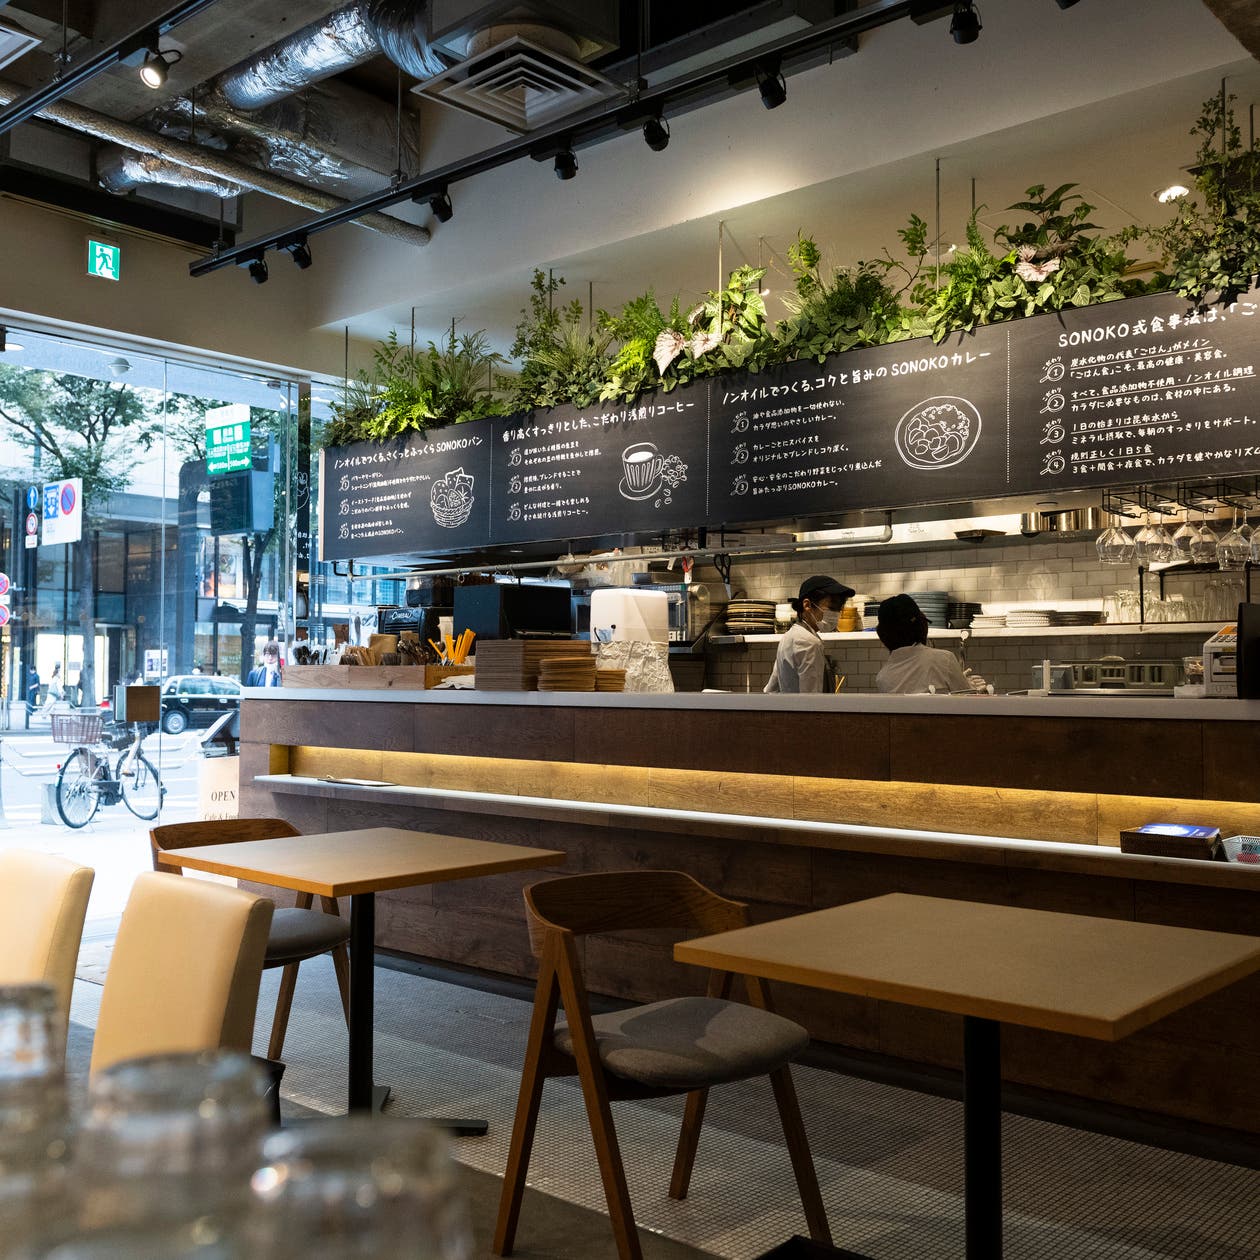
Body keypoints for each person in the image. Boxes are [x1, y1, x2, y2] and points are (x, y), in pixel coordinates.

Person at [764, 575, 854, 694]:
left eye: (839, 609)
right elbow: (812, 700)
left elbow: (771, 689)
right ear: (807, 605)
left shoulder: (789, 636)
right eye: (832, 607)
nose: (836, 614)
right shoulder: (809, 643)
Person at [875, 593, 982, 694]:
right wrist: (971, 688)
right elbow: (964, 702)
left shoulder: (883, 677)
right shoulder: (944, 659)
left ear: (883, 635)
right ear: (921, 626)